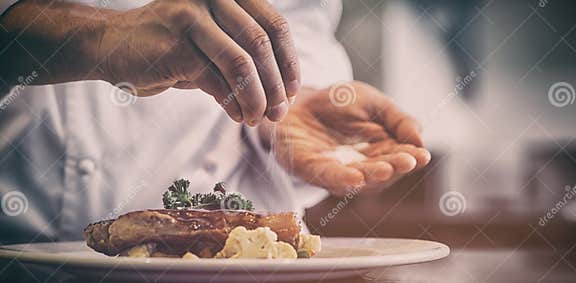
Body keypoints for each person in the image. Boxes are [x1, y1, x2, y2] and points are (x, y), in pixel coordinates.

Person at [0, 0, 431, 244]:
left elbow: (300, 22)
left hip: (229, 255)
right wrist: (94, 39)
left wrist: (288, 105)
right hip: (17, 244)